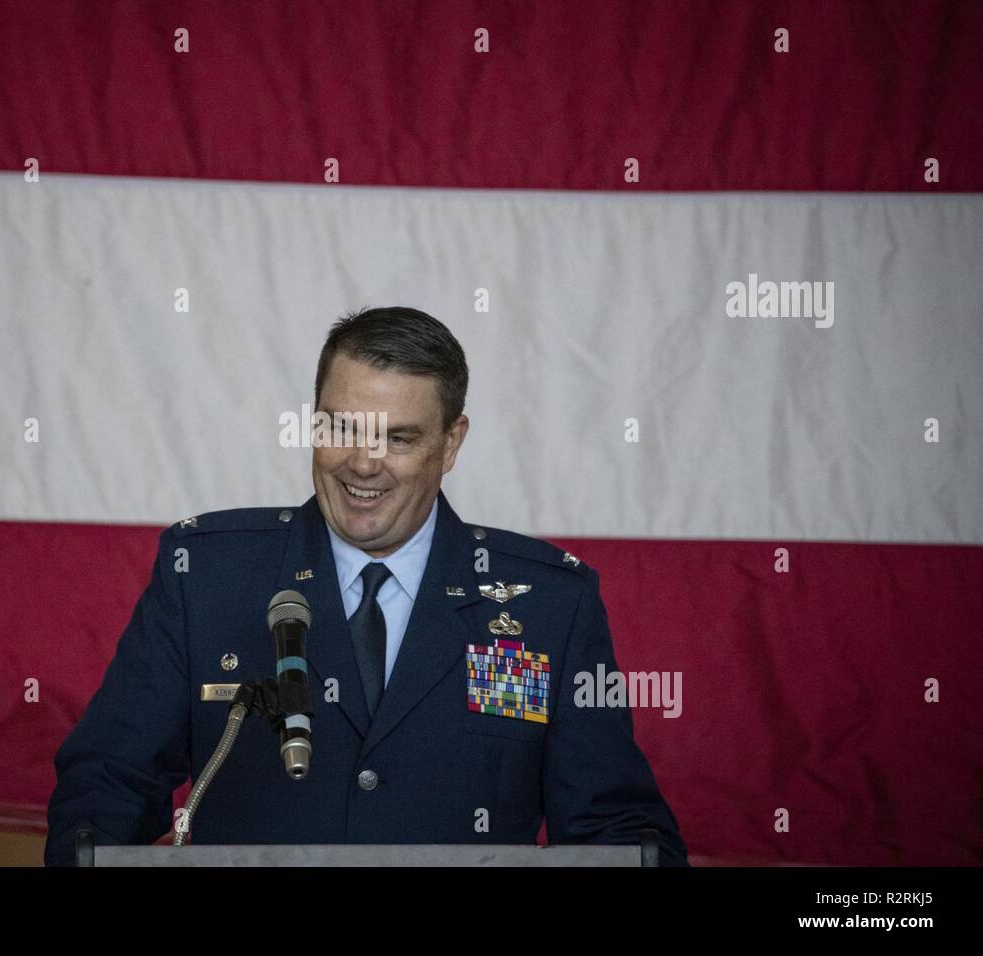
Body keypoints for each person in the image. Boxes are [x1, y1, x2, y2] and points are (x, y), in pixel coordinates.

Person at [45, 306, 688, 866]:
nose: (362, 462)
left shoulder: (550, 605)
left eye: (398, 438)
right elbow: (108, 781)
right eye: (341, 428)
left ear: (452, 443)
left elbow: (615, 829)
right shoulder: (207, 577)